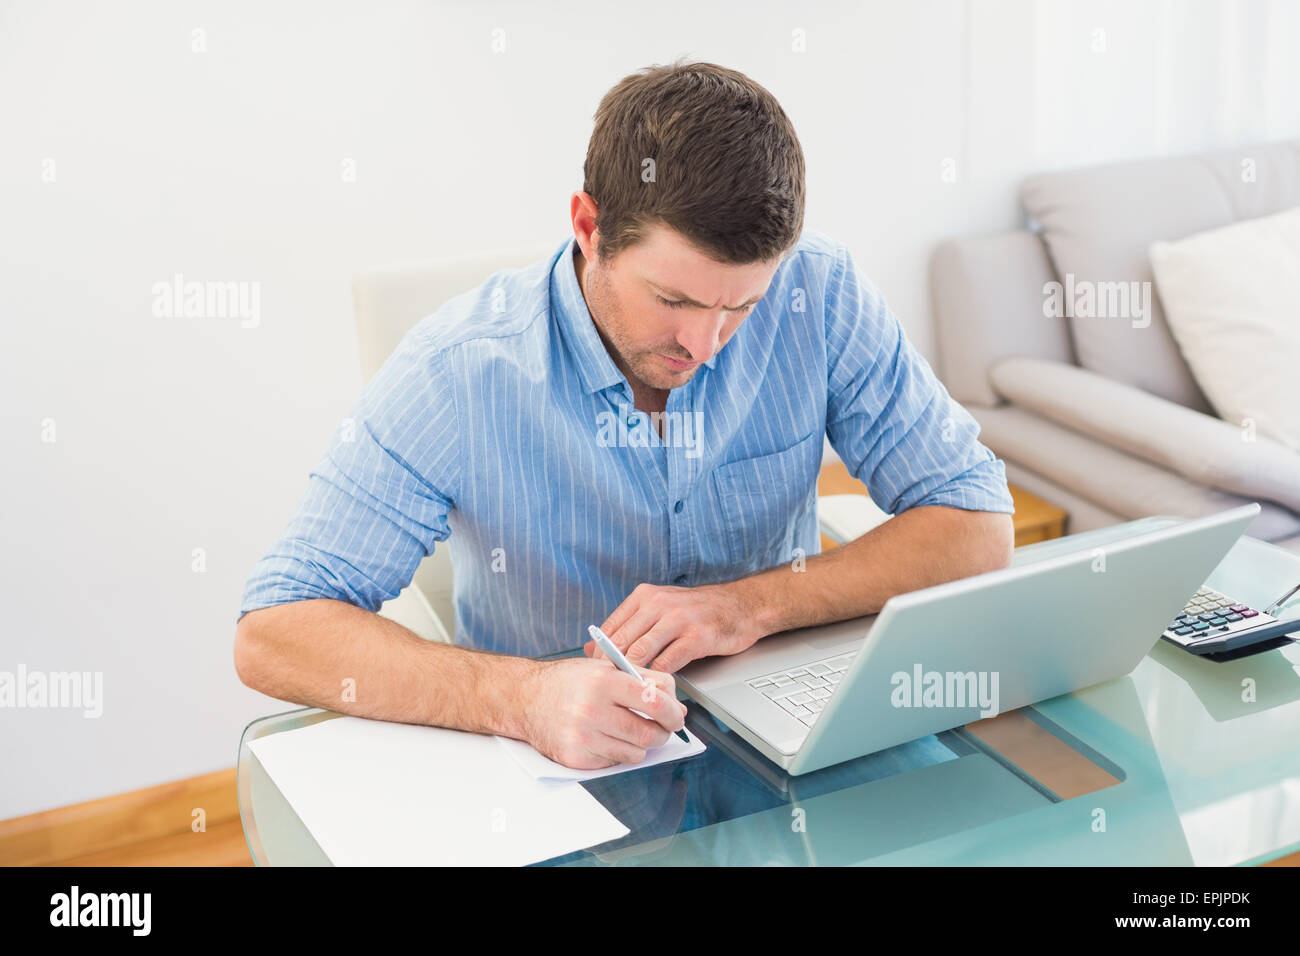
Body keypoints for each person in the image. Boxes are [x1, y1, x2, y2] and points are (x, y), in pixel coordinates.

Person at [235, 60, 1015, 771]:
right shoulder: (460, 369)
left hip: (785, 729)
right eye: (673, 299)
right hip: (556, 764)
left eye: (741, 305)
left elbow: (977, 519)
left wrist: (746, 605)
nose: (705, 344)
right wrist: (518, 697)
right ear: (588, 227)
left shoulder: (821, 294)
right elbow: (276, 630)